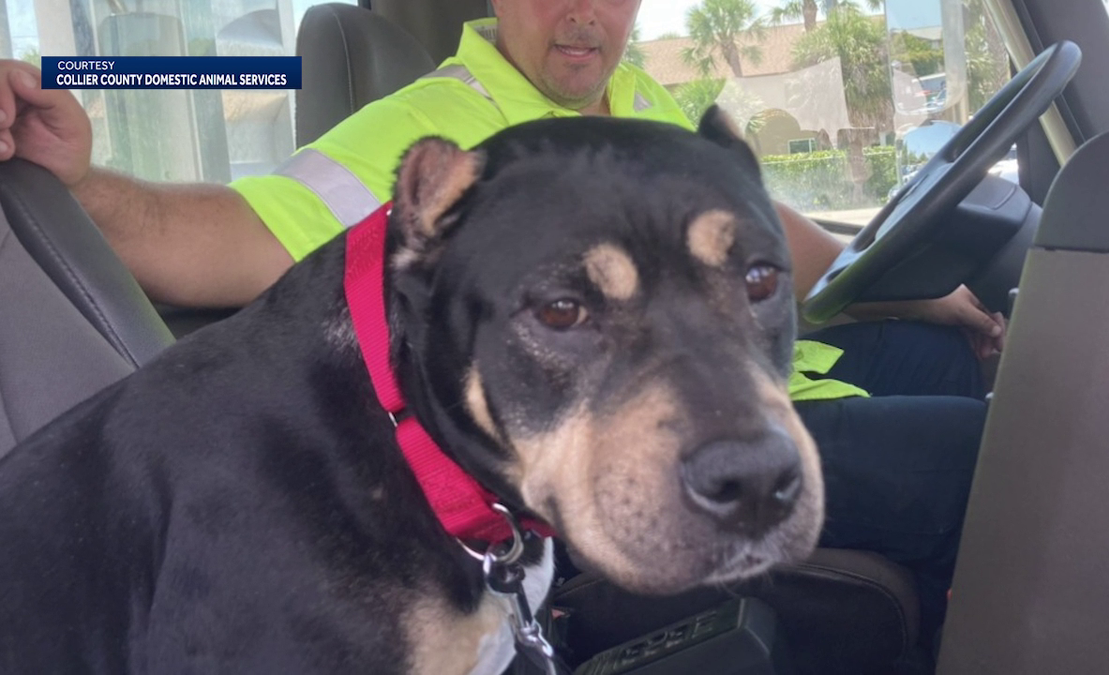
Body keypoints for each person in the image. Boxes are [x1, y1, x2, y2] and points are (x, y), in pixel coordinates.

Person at [0, 0, 1000, 647]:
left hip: (774, 381)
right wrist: (77, 182)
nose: (580, 11)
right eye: (567, 302)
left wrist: (926, 292)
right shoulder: (423, 137)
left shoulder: (657, 109)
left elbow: (778, 243)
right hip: (602, 458)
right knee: (1005, 462)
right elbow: (206, 231)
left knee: (961, 368)